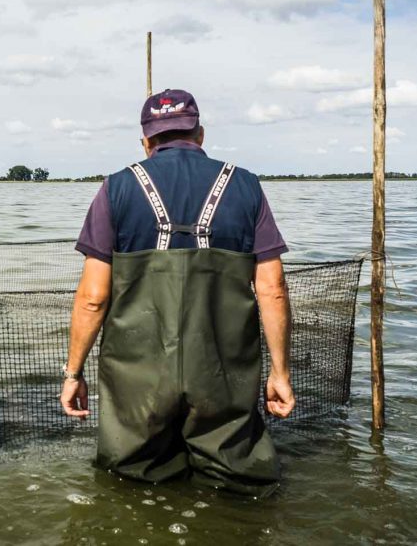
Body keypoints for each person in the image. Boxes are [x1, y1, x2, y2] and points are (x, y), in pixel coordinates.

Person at [58, 89, 295, 495]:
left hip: (137, 375)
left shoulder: (115, 189)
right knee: (238, 485)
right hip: (222, 370)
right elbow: (271, 290)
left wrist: (73, 373)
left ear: (146, 141)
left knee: (130, 486)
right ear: (200, 134)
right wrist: (280, 372)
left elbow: (93, 297)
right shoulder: (245, 186)